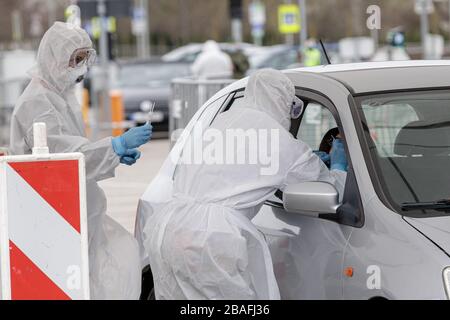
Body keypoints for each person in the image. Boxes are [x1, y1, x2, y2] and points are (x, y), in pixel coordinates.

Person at [143, 69, 347, 300]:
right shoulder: (279, 139)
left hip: (167, 227)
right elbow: (330, 186)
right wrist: (338, 166)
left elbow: (236, 166)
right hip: (210, 240)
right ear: (282, 101)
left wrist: (306, 158)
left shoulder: (221, 121)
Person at [9, 22, 152, 299]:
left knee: (117, 264)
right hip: (53, 216)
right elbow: (66, 158)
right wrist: (116, 145)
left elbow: (77, 154)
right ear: (54, 57)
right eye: (75, 59)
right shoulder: (37, 102)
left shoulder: (59, 96)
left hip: (75, 212)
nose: (80, 67)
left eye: (84, 58)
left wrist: (115, 155)